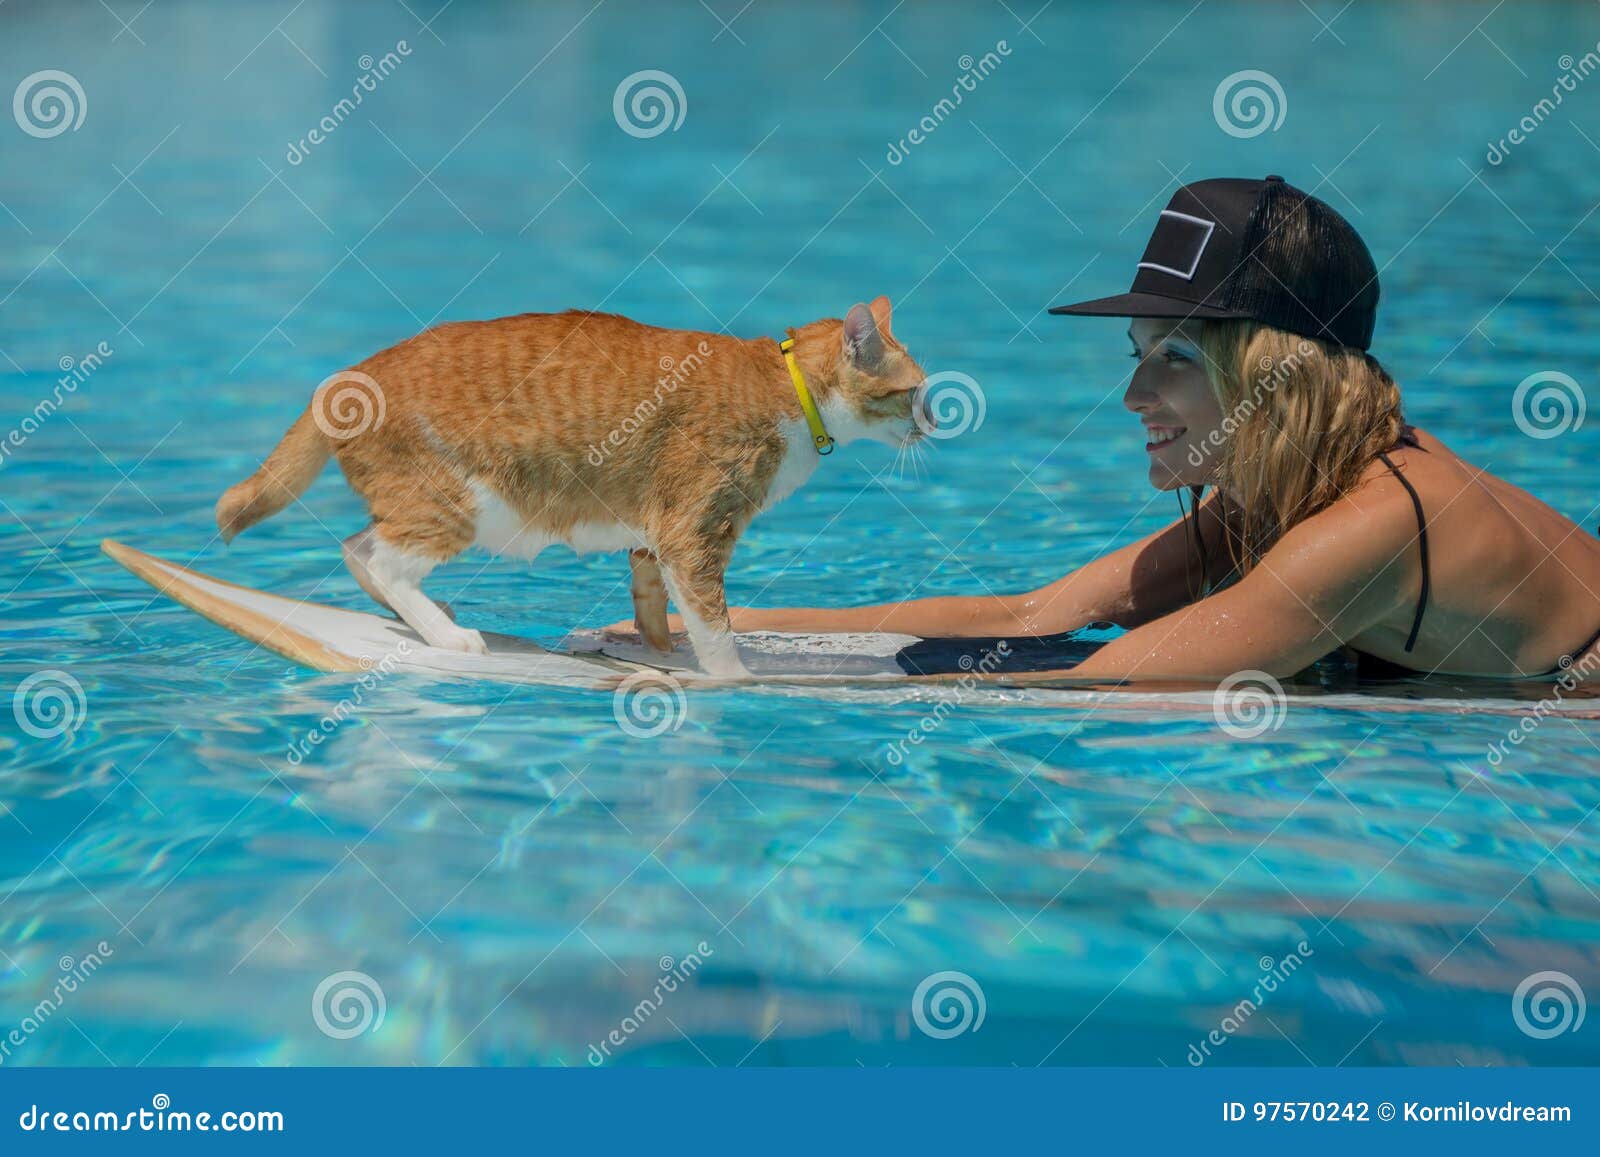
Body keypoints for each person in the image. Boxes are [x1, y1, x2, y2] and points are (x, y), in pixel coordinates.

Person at [608, 176, 1600, 681]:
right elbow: (1025, 620)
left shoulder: (1367, 529)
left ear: (1276, 378)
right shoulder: (1296, 486)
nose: (1133, 401)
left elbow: (1093, 682)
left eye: (1175, 359)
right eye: (1137, 358)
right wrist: (694, 631)